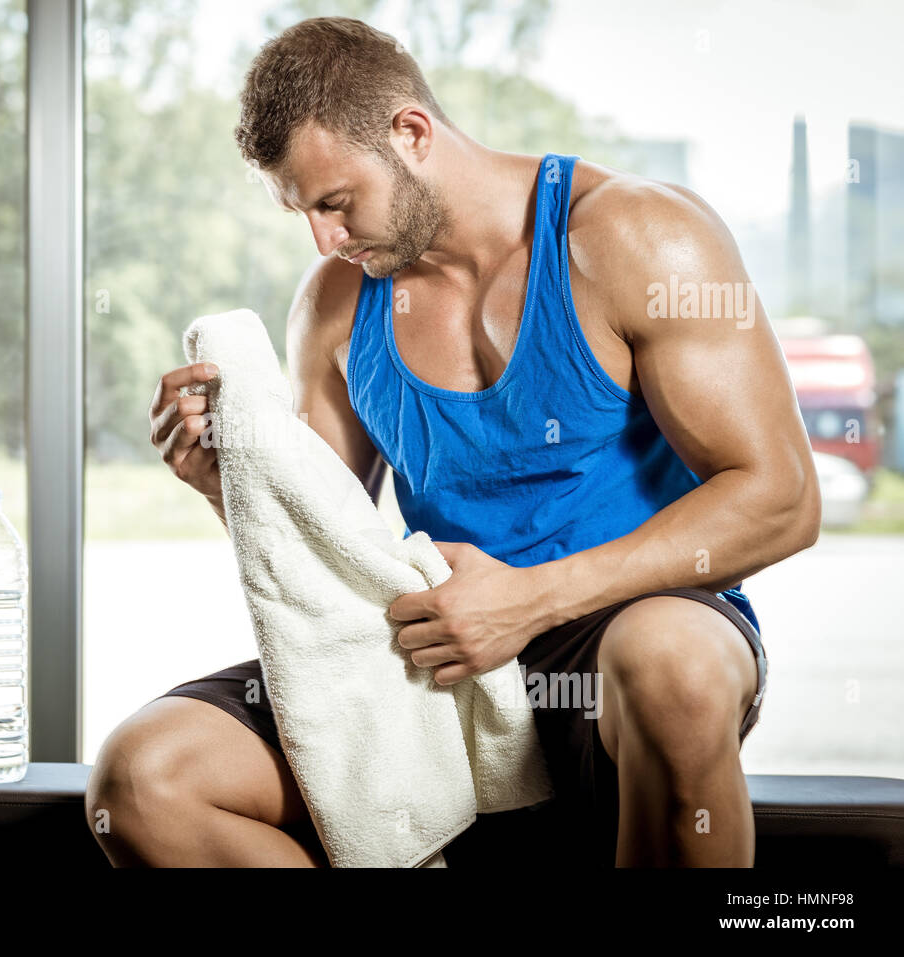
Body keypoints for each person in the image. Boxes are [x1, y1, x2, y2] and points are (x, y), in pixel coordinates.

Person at [86, 16, 820, 867]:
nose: (324, 240)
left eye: (334, 203)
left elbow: (781, 498)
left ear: (411, 132)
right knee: (144, 780)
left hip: (619, 637)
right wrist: (229, 485)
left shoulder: (632, 236)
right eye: (302, 213)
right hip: (436, 653)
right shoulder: (335, 303)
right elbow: (326, 555)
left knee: (675, 665)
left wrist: (535, 597)